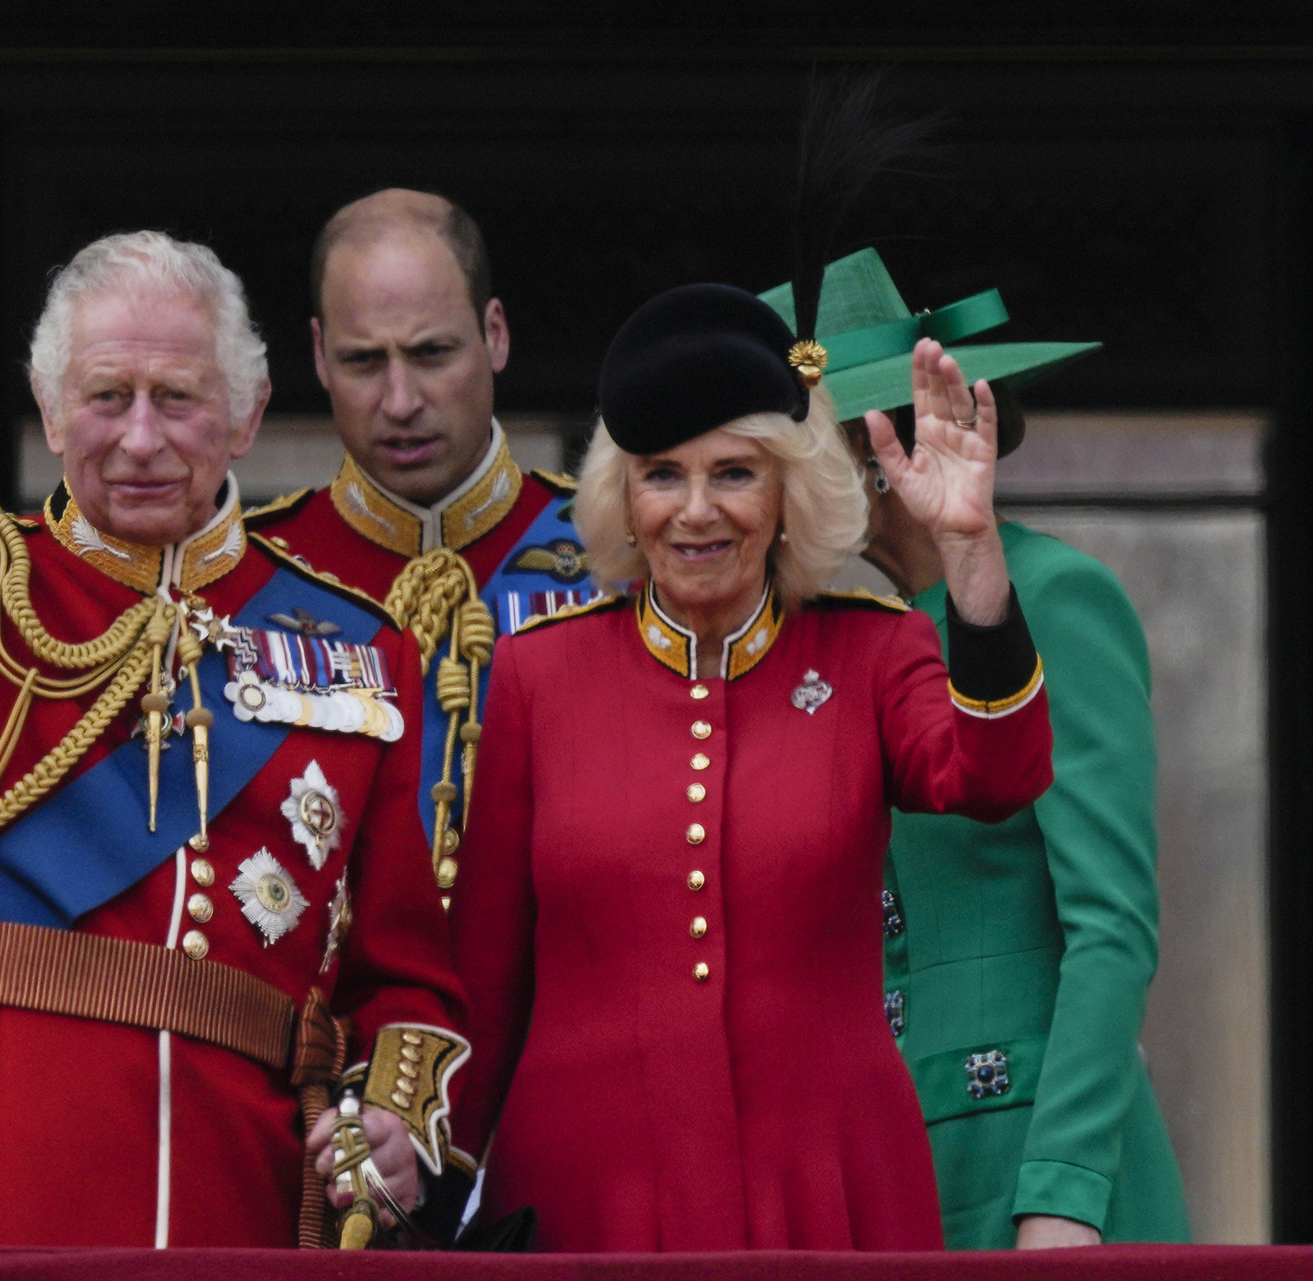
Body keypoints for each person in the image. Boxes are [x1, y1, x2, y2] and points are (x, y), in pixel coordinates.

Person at [0, 58, 468, 1248]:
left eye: (179, 398)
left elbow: (409, 983)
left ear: (248, 412)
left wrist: (391, 1120)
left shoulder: (356, 649)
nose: (139, 438)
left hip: (243, 1208)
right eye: (105, 396)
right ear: (44, 401)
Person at [443, 280, 1056, 1251]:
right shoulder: (535, 676)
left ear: (788, 492)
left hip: (827, 1176)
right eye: (661, 475)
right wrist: (443, 1181)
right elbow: (485, 976)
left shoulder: (870, 655)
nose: (695, 512)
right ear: (621, 493)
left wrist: (969, 548)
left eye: (734, 474)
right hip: (585, 1189)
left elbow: (994, 776)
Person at [759, 248, 1191, 1249]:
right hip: (899, 1165)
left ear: (872, 452)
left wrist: (1065, 1192)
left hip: (1040, 1162)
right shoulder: (850, 635)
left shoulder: (1050, 595)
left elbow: (1111, 925)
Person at [246, 190, 593, 902]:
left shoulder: (617, 555)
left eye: (432, 353)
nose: (400, 400)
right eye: (365, 361)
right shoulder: (248, 571)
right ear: (318, 355)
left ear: (494, 334)